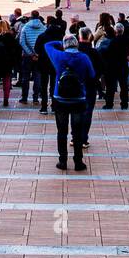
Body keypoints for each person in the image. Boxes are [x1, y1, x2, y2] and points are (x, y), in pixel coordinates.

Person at [45, 34, 95, 172]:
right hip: (78, 98)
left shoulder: (59, 56)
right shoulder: (84, 57)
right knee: (77, 132)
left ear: (65, 45)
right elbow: (92, 74)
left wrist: (61, 40)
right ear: (77, 44)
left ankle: (62, 161)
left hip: (60, 97)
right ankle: (78, 161)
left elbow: (47, 45)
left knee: (62, 131)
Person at [0, 19, 20, 108]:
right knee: (6, 81)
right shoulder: (10, 37)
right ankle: (6, 100)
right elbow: (16, 50)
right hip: (7, 63)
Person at [18, 10, 44, 104]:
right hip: (38, 56)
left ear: (31, 17)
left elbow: (22, 42)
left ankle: (24, 98)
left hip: (27, 56)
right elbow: (44, 42)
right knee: (37, 77)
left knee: (25, 77)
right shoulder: (43, 28)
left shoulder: (25, 27)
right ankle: (35, 98)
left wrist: (30, 53)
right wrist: (37, 54)